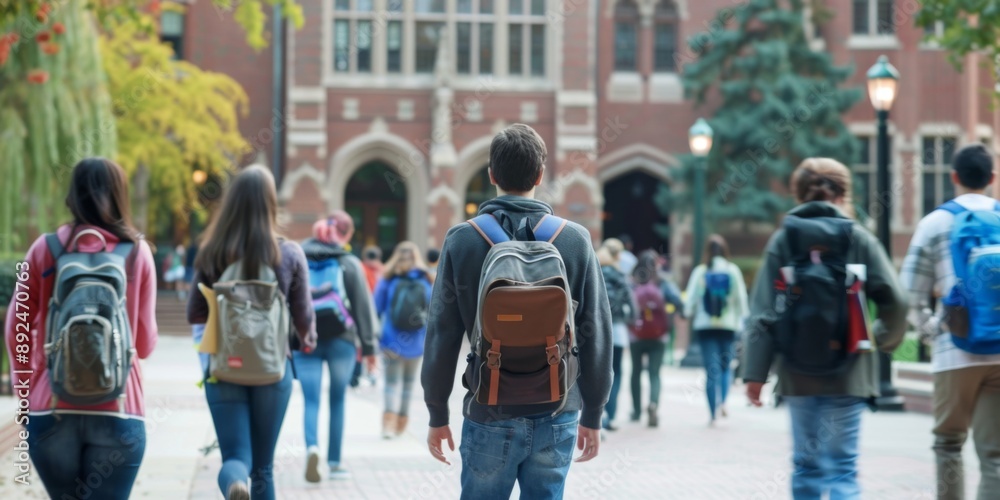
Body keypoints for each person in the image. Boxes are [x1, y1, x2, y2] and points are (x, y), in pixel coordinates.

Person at [422, 123, 612, 499]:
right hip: (558, 409)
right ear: (541, 174)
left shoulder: (462, 240)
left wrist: (437, 411)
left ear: (491, 174)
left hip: (488, 408)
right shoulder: (573, 240)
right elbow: (596, 329)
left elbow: (442, 333)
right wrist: (594, 411)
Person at [744, 158, 907, 499]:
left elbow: (762, 313)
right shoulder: (858, 237)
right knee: (843, 468)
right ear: (844, 194)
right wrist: (875, 340)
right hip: (850, 369)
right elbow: (895, 300)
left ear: (797, 193)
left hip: (796, 372)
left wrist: (755, 374)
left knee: (807, 467)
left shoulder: (783, 240)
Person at [4, 158, 158, 499]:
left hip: (51, 407)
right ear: (120, 196)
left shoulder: (44, 250)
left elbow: (16, 325)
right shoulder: (137, 254)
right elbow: (145, 345)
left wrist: (24, 387)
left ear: (72, 196)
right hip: (120, 408)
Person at [187, 165, 316, 500]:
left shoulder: (213, 251)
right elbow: (305, 320)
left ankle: (234, 484)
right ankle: (247, 485)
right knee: (264, 468)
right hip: (273, 369)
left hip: (223, 368)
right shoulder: (288, 252)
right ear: (271, 203)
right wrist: (306, 339)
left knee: (235, 458)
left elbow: (194, 313)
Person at [899, 144, 1000, 500]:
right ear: (992, 178)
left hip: (953, 351)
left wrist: (932, 331)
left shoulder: (934, 223)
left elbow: (908, 293)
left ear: (954, 177)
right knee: (995, 456)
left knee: (948, 444)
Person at [298, 212, 378, 482]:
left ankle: (312, 448)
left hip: (305, 339)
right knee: (337, 399)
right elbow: (363, 309)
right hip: (342, 340)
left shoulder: (298, 257)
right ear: (347, 234)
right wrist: (369, 350)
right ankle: (334, 463)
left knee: (310, 400)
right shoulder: (349, 263)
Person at [683, 234, 749, 426]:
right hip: (728, 326)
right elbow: (741, 299)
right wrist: (742, 320)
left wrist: (686, 313)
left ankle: (712, 413)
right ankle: (724, 402)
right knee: (726, 366)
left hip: (705, 327)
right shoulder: (732, 270)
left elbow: (691, 299)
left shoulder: (701, 271)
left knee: (711, 371)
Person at [374, 241, 433, 439]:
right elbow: (433, 311)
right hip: (416, 341)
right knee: (408, 384)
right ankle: (401, 424)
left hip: (391, 340)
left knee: (391, 383)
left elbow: (377, 307)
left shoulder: (388, 279)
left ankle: (387, 427)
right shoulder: (426, 280)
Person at [629, 249, 682, 427]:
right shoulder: (663, 282)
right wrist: (672, 314)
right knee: (654, 373)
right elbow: (677, 301)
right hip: (659, 335)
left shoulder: (633, 282)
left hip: (636, 334)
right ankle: (653, 404)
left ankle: (636, 411)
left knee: (636, 372)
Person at [598, 243, 637, 431]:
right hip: (618, 330)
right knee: (616, 373)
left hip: (595, 331)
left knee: (596, 372)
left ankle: (597, 414)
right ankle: (611, 416)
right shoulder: (620, 275)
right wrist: (631, 319)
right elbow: (631, 303)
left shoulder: (594, 271)